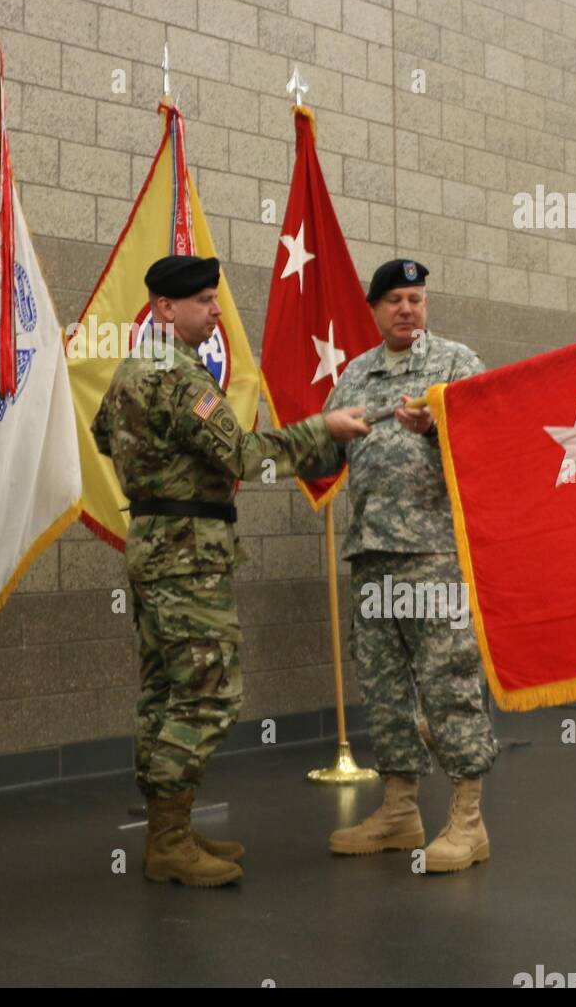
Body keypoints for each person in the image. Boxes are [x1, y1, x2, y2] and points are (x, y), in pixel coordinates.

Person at [91, 254, 370, 887]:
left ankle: (172, 829)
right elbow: (244, 456)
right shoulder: (181, 377)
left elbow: (105, 435)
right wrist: (324, 429)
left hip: (155, 543)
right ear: (165, 308)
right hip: (188, 552)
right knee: (210, 693)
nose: (217, 312)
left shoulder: (133, 367)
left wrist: (160, 475)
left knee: (164, 691)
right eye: (204, 302)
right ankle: (167, 839)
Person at [323, 258, 498, 872]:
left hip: (434, 557)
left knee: (449, 682)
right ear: (374, 310)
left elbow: (489, 437)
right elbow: (325, 445)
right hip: (370, 553)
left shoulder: (455, 364)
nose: (407, 309)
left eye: (416, 298)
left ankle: (469, 820)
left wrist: (435, 429)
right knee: (386, 686)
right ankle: (399, 810)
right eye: (395, 299)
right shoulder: (355, 374)